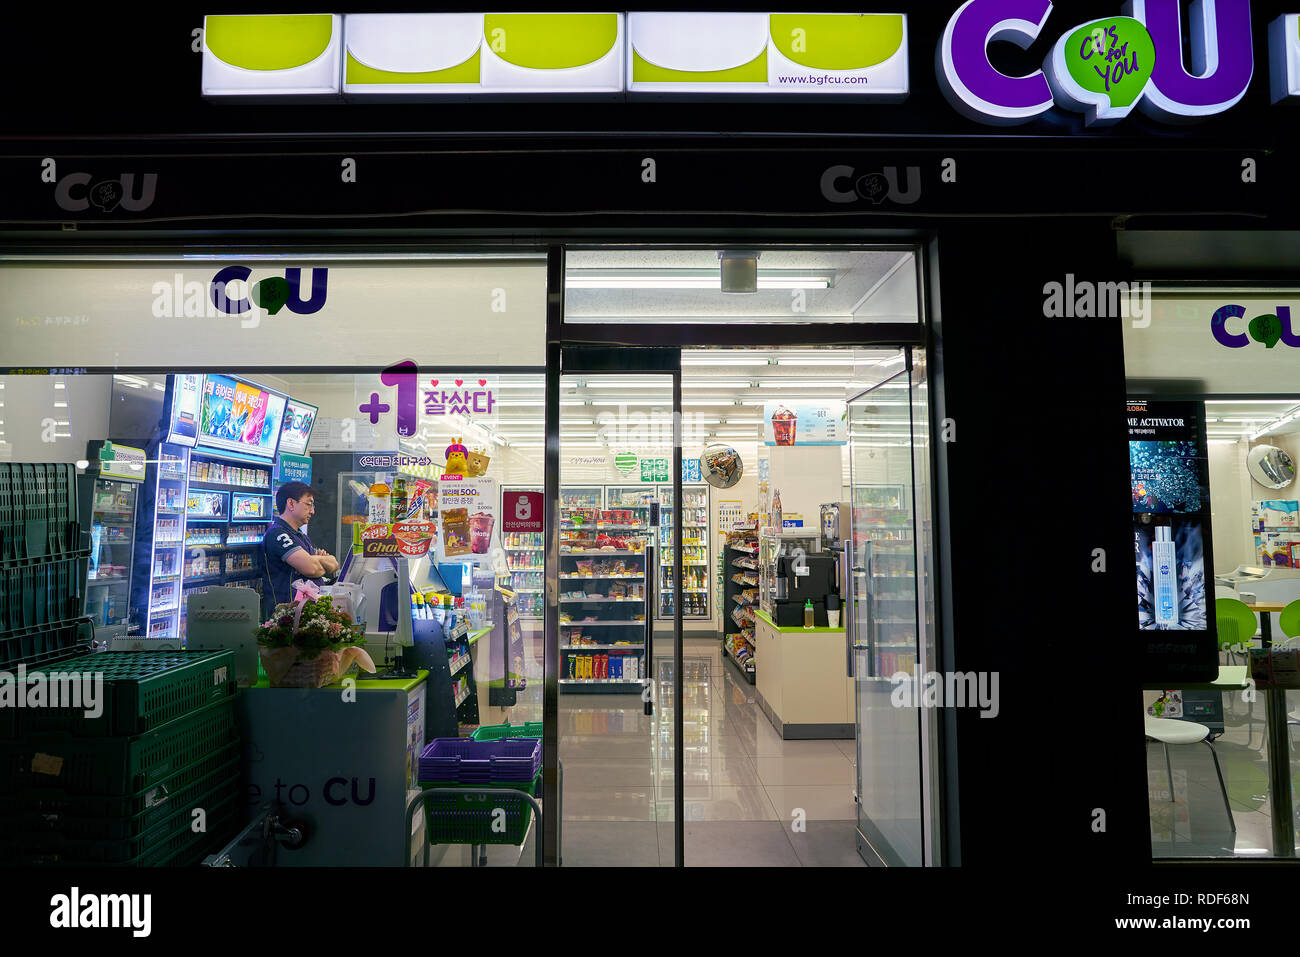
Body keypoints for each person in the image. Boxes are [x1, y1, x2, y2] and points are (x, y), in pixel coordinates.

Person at [261, 480, 339, 621]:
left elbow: (333, 564)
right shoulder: (278, 534)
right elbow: (311, 569)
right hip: (287, 618)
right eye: (309, 504)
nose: (312, 511)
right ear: (291, 503)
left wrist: (315, 562)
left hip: (306, 615)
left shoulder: (300, 536)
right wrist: (316, 563)